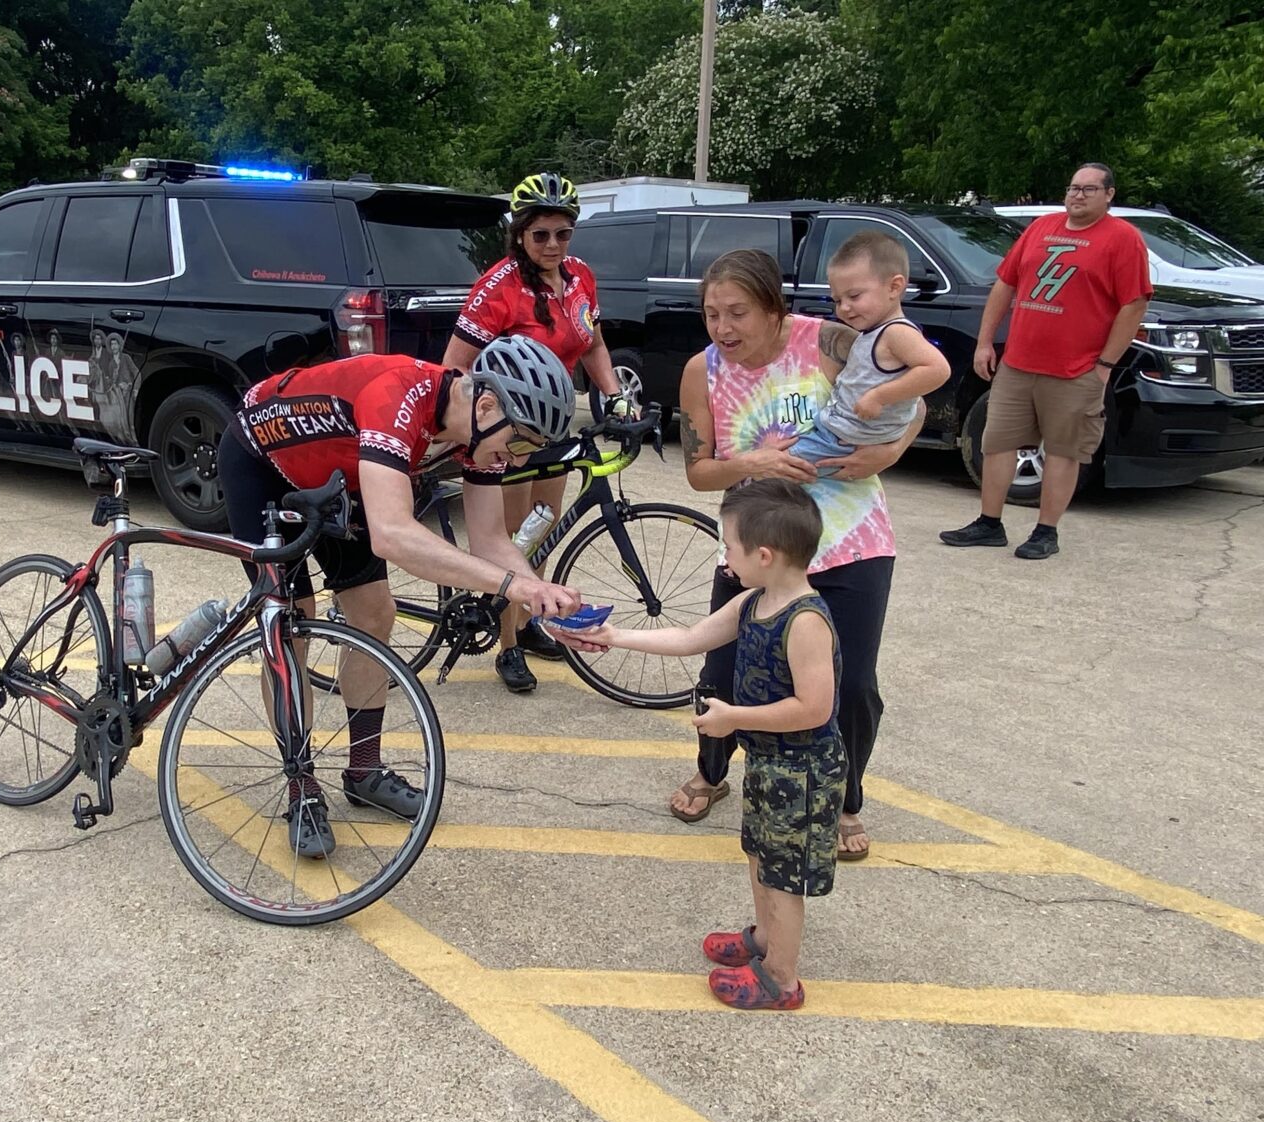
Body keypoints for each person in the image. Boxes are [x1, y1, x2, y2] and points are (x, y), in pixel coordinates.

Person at [219, 334, 583, 857]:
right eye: (520, 441)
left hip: (337, 476)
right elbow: (393, 534)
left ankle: (363, 769)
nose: (518, 456)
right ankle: (300, 785)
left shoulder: (479, 433)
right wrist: (512, 585)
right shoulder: (400, 397)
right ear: (484, 404)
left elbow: (491, 539)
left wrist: (542, 597)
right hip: (262, 463)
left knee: (373, 614)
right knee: (292, 621)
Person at [669, 249, 921, 864]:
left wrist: (885, 455)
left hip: (851, 539)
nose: (723, 329)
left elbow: (912, 407)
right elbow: (699, 473)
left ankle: (846, 799)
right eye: (711, 314)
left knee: (853, 684)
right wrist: (754, 462)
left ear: (774, 307)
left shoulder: (831, 343)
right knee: (722, 669)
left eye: (738, 313)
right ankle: (711, 770)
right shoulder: (701, 372)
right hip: (757, 551)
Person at [553, 480, 841, 1009]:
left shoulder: (803, 621)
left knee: (784, 876)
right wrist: (611, 636)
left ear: (764, 555)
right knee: (759, 854)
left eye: (728, 546)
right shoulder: (756, 600)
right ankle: (762, 939)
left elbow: (815, 708)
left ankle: (782, 977)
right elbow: (689, 638)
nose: (723, 556)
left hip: (802, 772)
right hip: (770, 762)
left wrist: (735, 718)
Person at [443, 172, 632, 694]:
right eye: (541, 234)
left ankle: (529, 624)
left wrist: (614, 394)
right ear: (520, 234)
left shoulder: (579, 277)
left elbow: (592, 344)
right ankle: (506, 645)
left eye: (563, 233)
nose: (553, 245)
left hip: (552, 421)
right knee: (511, 538)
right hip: (507, 431)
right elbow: (455, 368)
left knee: (543, 527)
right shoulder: (498, 287)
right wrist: (482, 432)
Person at [941, 163, 1151, 559]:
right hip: (1018, 363)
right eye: (1073, 188)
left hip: (1076, 369)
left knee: (1064, 451)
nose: (1077, 195)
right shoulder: (1041, 227)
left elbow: (1133, 304)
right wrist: (986, 342)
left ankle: (1045, 531)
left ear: (1109, 195)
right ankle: (989, 522)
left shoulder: (1123, 240)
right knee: (997, 442)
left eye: (1089, 189)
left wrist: (1105, 364)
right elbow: (1006, 282)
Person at [788, 231, 949, 475]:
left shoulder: (896, 333)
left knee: (775, 470)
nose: (844, 307)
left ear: (894, 287)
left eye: (854, 296)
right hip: (837, 430)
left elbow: (938, 370)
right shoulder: (873, 332)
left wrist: (879, 396)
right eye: (838, 299)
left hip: (842, 442)